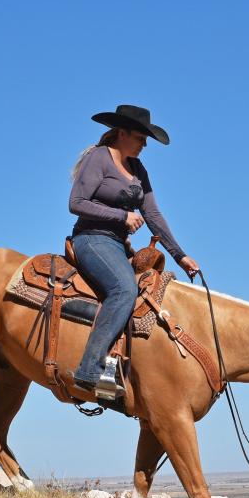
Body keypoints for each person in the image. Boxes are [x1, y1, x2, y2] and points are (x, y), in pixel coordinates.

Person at [67, 104, 199, 393]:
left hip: (118, 245)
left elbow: (153, 215)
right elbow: (76, 203)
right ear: (122, 133)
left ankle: (126, 368)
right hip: (91, 238)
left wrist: (180, 255)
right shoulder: (98, 158)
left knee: (150, 293)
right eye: (140, 138)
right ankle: (90, 369)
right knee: (124, 289)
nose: (144, 145)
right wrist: (121, 216)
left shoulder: (138, 169)